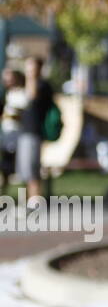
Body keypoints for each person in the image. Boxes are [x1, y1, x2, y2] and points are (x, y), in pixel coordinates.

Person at [17, 57, 54, 203]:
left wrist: (30, 78)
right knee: (25, 171)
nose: (28, 69)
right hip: (24, 132)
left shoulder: (43, 85)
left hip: (34, 132)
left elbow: (31, 96)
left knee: (32, 169)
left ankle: (35, 203)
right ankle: (30, 201)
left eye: (31, 66)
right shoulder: (27, 85)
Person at [1, 68, 27, 194]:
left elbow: (24, 114)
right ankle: (3, 198)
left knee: (21, 171)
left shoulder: (23, 93)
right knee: (5, 170)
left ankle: (26, 199)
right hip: (6, 138)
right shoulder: (7, 94)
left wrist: (11, 115)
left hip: (19, 139)